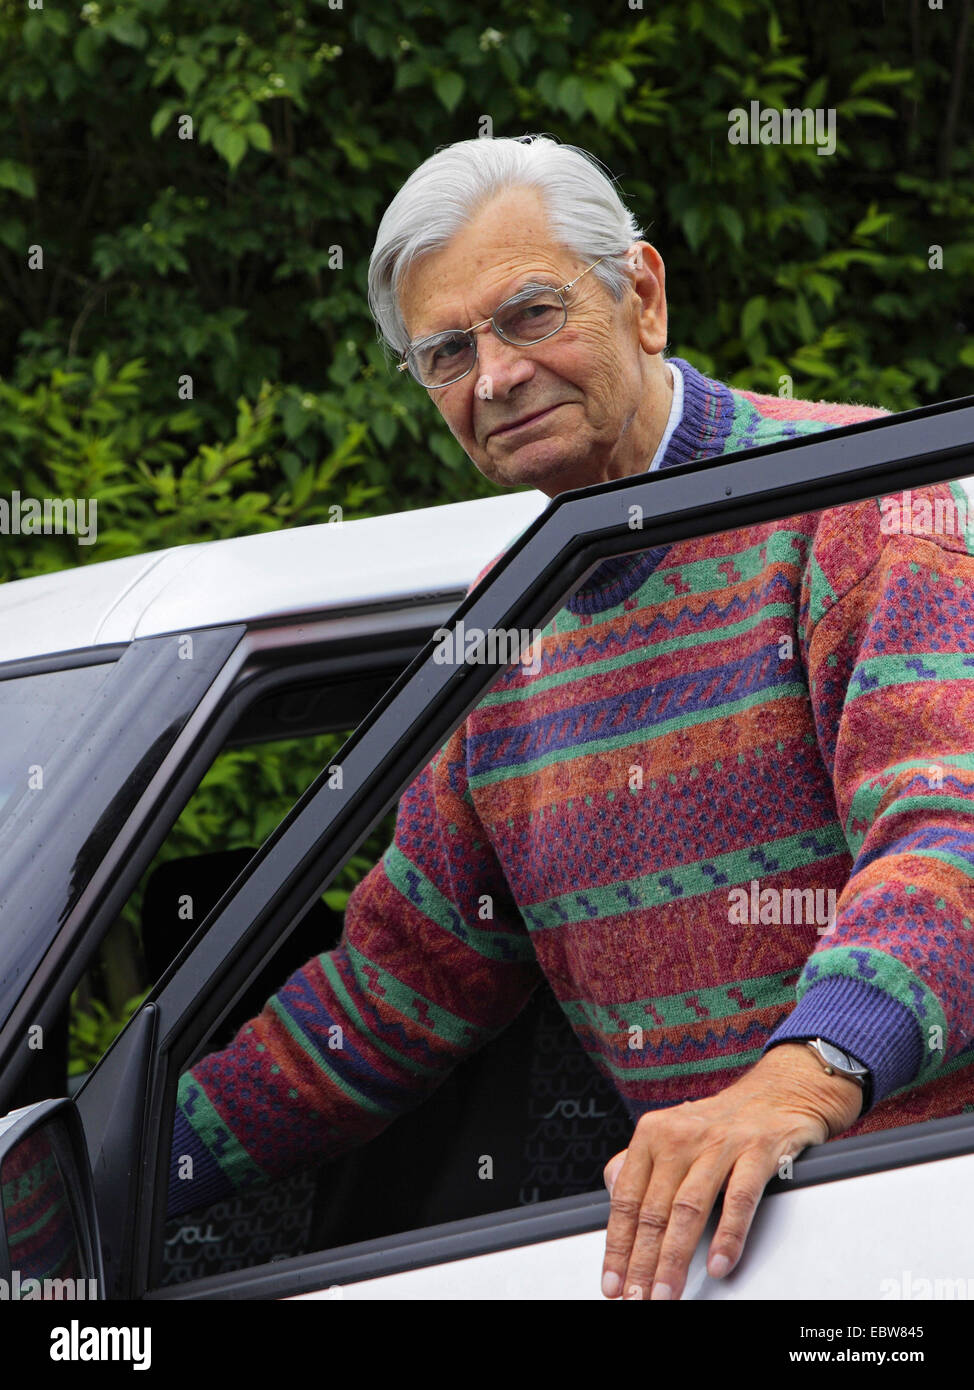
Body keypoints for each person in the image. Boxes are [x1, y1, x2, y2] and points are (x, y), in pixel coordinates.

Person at [168, 134, 974, 1301]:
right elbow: (405, 982)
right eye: (445, 351)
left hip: (917, 1215)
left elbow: (947, 830)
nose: (492, 375)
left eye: (529, 314)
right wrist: (123, 1159)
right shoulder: (505, 617)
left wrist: (797, 1080)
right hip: (708, 1249)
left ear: (639, 294)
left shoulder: (855, 501)